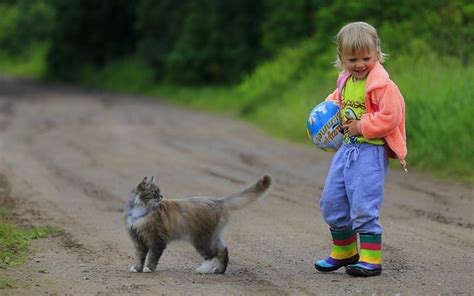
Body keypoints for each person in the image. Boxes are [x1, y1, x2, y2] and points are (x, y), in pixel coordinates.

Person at [314, 22, 407, 277]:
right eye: (352, 58)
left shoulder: (382, 86)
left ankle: (370, 259)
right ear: (342, 58)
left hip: (370, 153)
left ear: (377, 54)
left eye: (366, 58)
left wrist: (362, 125)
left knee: (363, 202)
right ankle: (344, 251)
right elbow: (337, 99)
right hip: (347, 150)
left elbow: (391, 116)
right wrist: (324, 113)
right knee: (332, 201)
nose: (360, 64)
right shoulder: (346, 80)